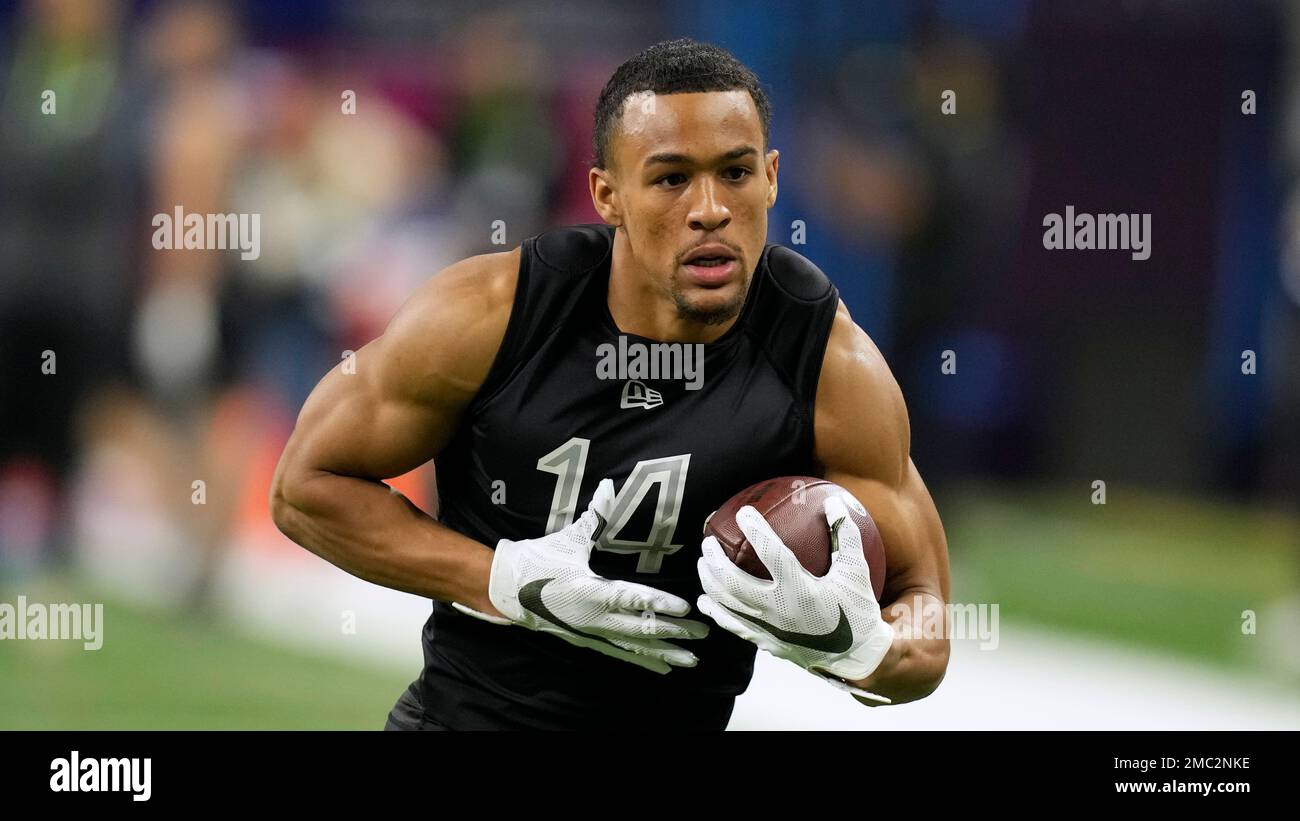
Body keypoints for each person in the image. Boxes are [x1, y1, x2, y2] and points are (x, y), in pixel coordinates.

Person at [270, 38, 950, 730]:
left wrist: (864, 643)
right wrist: (504, 581)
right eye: (671, 178)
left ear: (772, 178)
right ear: (607, 194)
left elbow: (925, 615)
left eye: (735, 173)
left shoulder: (826, 359)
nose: (710, 208)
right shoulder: (494, 313)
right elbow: (305, 487)